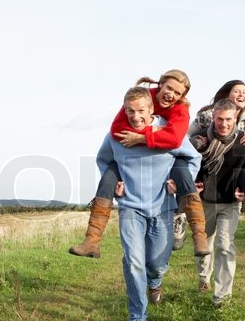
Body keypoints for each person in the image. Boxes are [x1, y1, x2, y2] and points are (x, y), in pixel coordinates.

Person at [69, 69, 209, 259]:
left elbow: (175, 139)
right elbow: (115, 130)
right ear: (160, 84)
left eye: (178, 93)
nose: (171, 94)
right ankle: (92, 241)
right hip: (133, 173)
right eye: (169, 88)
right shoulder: (139, 98)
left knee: (183, 172)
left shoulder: (180, 108)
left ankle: (199, 235)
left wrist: (141, 137)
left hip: (171, 154)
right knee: (108, 176)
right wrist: (118, 181)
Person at [95, 87, 201, 321]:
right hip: (130, 206)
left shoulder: (167, 131)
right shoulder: (117, 134)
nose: (136, 116)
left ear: (151, 109)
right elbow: (103, 160)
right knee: (133, 261)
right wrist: (115, 185)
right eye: (130, 111)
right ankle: (137, 317)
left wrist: (180, 183)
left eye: (141, 110)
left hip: (162, 206)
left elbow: (194, 158)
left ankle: (155, 281)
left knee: (156, 262)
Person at [179, 79, 245, 253]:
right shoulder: (207, 114)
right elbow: (185, 140)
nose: (242, 94)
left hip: (234, 170)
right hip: (209, 166)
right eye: (237, 91)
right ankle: (180, 218)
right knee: (183, 166)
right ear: (226, 95)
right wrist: (196, 142)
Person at [192, 99, 245, 307]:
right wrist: (193, 183)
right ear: (213, 117)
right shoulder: (201, 140)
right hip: (205, 202)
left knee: (224, 245)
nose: (224, 124)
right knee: (205, 245)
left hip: (230, 202)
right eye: (220, 119)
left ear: (235, 120)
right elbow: (188, 164)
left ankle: (222, 296)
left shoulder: (243, 142)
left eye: (228, 119)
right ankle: (204, 277)